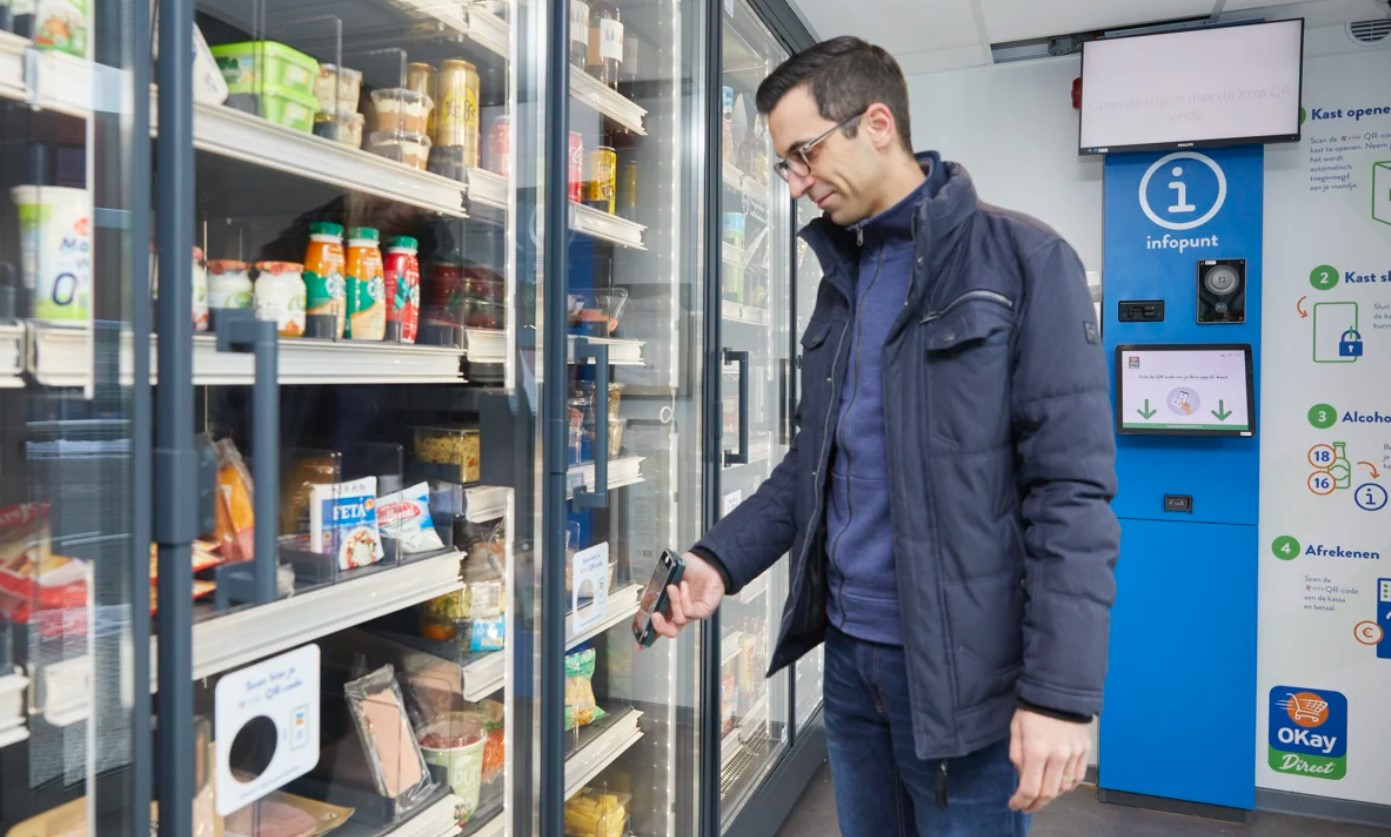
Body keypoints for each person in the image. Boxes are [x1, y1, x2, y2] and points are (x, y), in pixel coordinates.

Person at [650, 36, 1120, 836]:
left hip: (962, 678)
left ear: (875, 122)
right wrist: (717, 559)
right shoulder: (844, 281)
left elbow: (1068, 494)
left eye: (802, 156)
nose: (797, 185)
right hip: (849, 662)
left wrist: (1058, 694)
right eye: (785, 168)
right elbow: (814, 466)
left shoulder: (1024, 260)